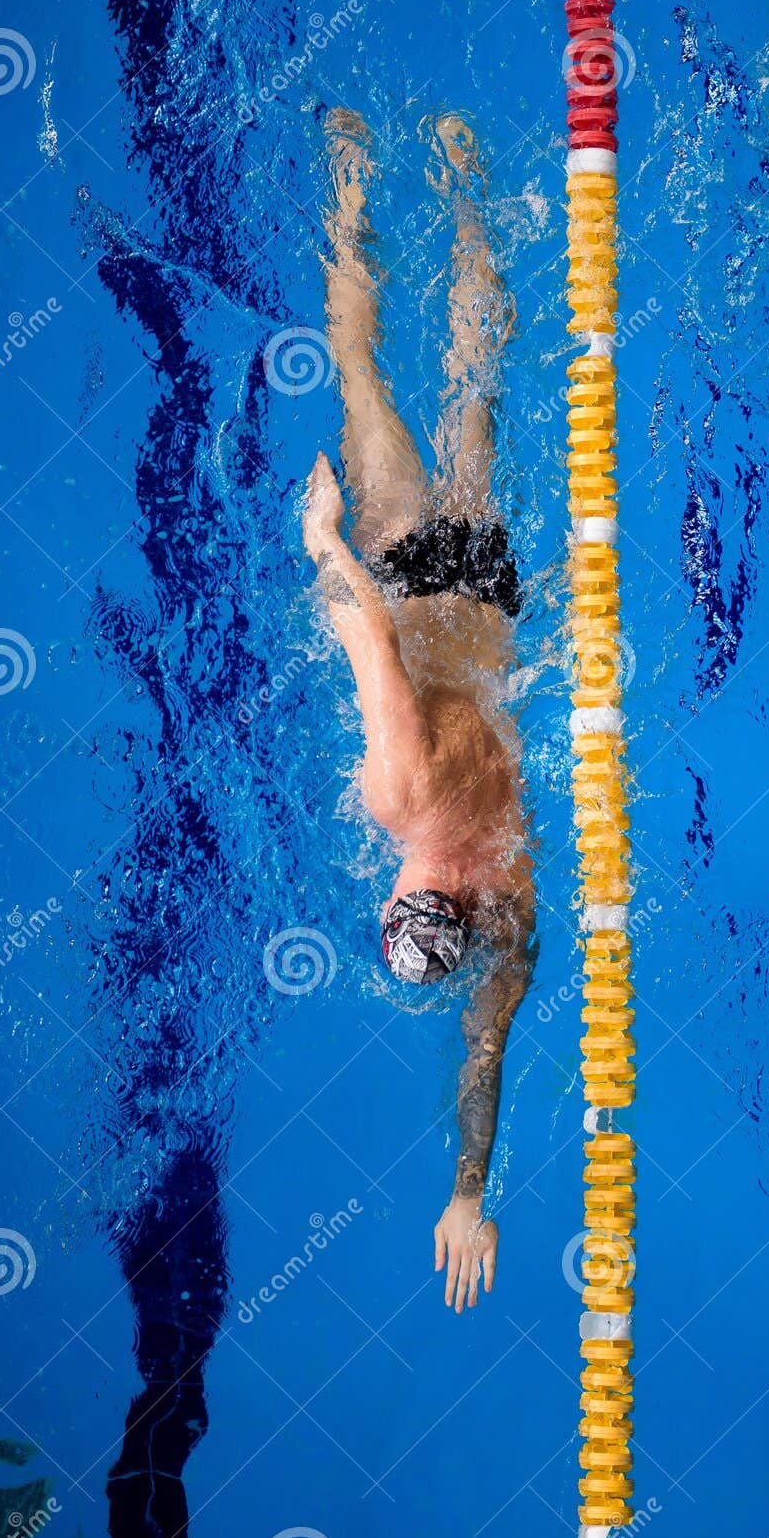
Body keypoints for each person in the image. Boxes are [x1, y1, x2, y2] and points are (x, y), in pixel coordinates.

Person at [300, 109, 535, 1313]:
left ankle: (466, 193)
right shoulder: (402, 801)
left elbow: (486, 1051)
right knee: (360, 370)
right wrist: (327, 548)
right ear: (401, 898)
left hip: (490, 587)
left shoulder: (510, 897)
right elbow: (370, 648)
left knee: (472, 382)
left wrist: (469, 1190)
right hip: (403, 560)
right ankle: (350, 186)